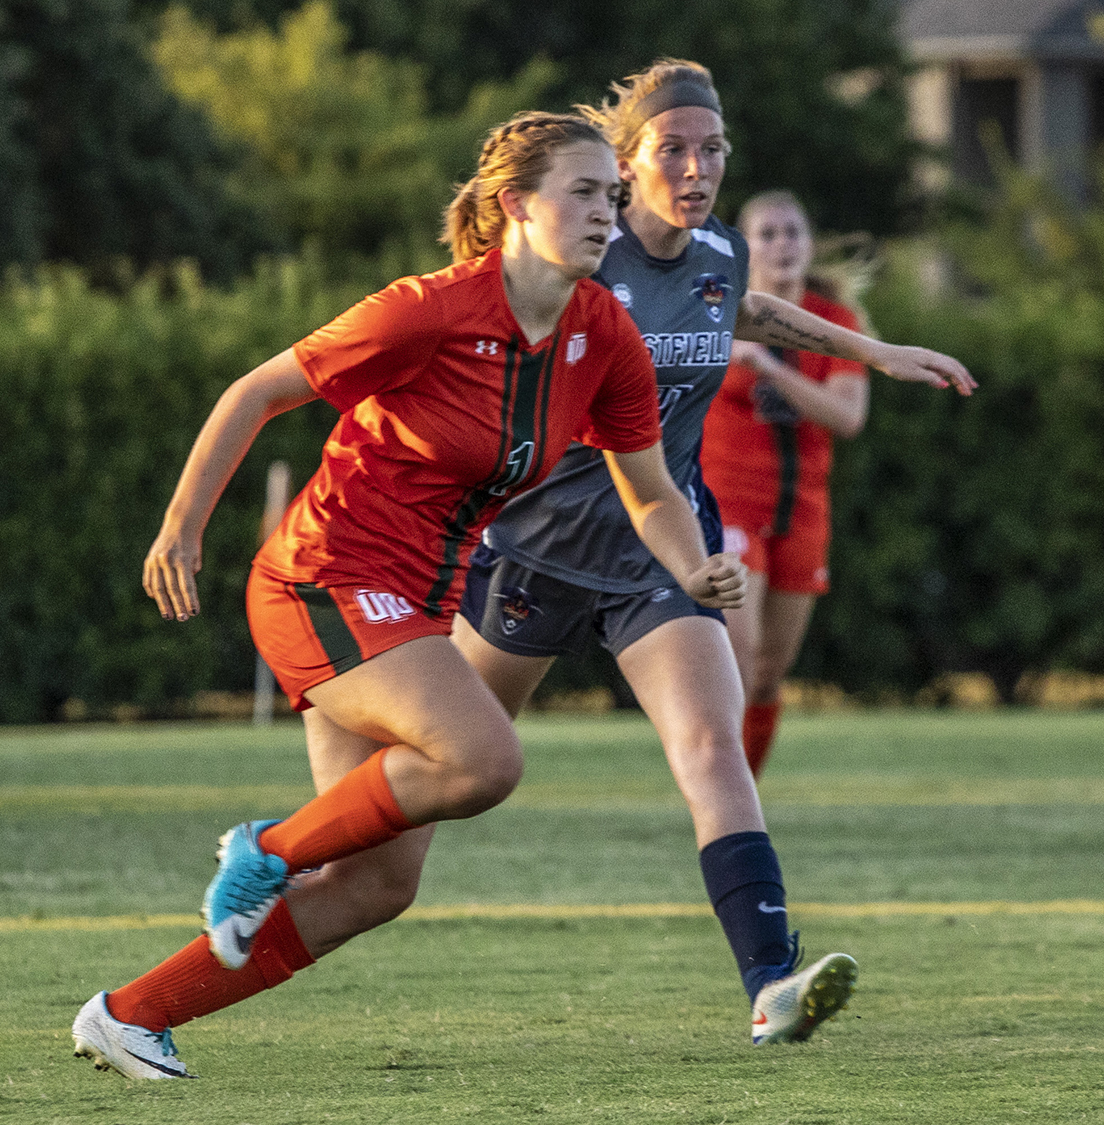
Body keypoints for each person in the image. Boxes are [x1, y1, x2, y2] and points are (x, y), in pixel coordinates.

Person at [72, 110, 741, 1080]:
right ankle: (265, 851)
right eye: (586, 193)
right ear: (515, 205)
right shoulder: (427, 310)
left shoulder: (603, 334)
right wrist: (181, 528)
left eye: (611, 194)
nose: (610, 211)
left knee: (378, 882)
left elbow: (647, 489)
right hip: (320, 579)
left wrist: (692, 572)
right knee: (484, 759)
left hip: (412, 606)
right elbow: (255, 392)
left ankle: (132, 1015)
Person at [453, 59, 974, 1048]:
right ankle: (287, 860)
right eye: (674, 150)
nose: (697, 168)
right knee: (445, 771)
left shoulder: (718, 253)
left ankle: (772, 985)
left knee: (710, 747)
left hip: (665, 552)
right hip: (532, 553)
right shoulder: (572, 259)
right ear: (625, 161)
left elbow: (746, 308)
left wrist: (874, 352)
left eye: (713, 149)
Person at [703, 191, 871, 776]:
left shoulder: (836, 324)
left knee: (772, 671)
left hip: (802, 509)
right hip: (729, 507)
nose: (783, 245)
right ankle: (719, 797)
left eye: (793, 232)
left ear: (810, 244)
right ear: (744, 251)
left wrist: (769, 365)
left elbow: (847, 416)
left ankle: (744, 791)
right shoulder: (715, 315)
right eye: (768, 234)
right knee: (740, 660)